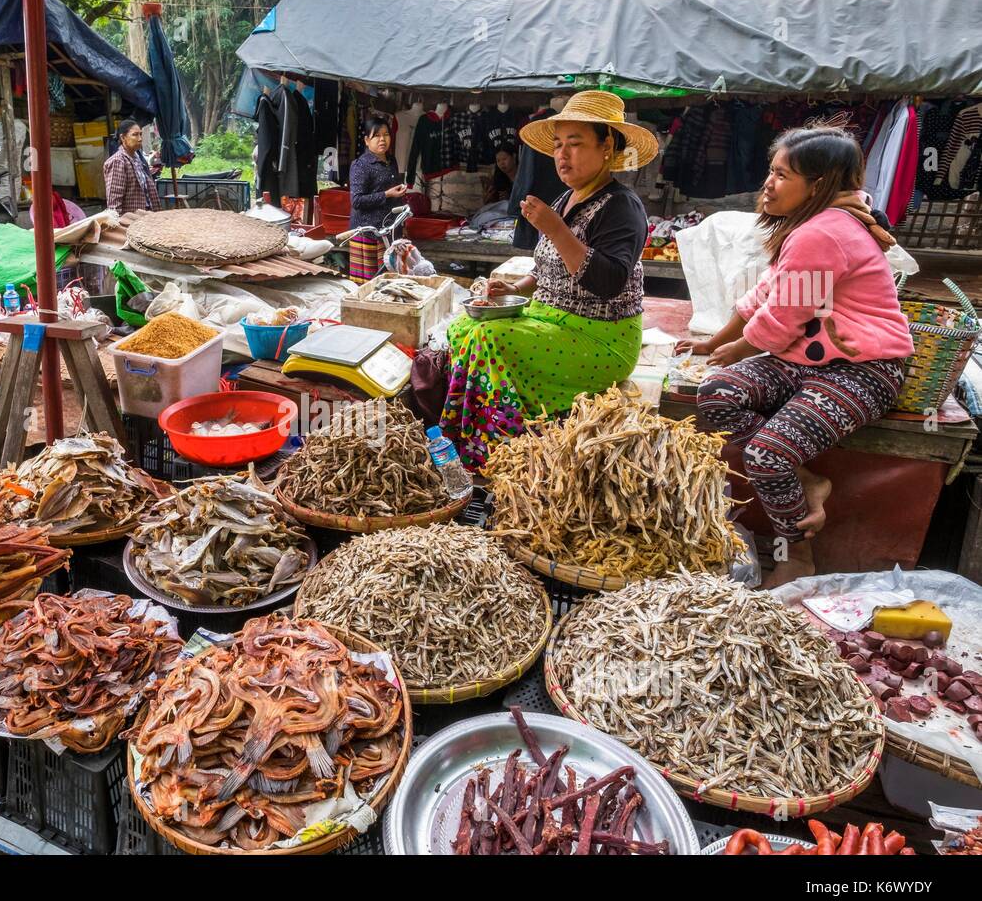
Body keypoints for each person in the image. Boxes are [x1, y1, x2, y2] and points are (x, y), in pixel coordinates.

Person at [681, 124, 914, 587]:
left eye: (783, 175)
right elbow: (764, 297)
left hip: (863, 369)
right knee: (715, 395)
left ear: (819, 185)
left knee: (768, 455)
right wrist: (715, 342)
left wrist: (737, 348)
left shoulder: (824, 233)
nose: (769, 183)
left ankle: (798, 555)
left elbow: (782, 319)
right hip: (802, 358)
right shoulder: (812, 225)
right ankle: (806, 479)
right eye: (772, 171)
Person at [441, 91, 657, 467]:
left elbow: (608, 282)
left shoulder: (622, 206)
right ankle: (484, 436)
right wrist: (514, 289)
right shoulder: (565, 199)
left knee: (489, 338)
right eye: (558, 145)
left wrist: (556, 230)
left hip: (600, 337)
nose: (562, 155)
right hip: (551, 319)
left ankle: (499, 449)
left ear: (607, 147)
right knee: (462, 328)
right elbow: (545, 271)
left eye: (575, 144)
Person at [348, 114, 407, 281]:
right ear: (367, 140)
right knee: (370, 282)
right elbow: (357, 201)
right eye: (377, 136)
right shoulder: (361, 165)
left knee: (389, 278)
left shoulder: (391, 160)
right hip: (368, 231)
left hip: (389, 229)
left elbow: (390, 189)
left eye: (386, 135)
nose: (382, 140)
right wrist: (387, 194)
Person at [104, 119, 163, 215]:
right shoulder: (118, 162)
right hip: (131, 220)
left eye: (140, 134)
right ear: (123, 138)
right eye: (135, 135)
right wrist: (118, 225)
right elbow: (114, 201)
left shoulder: (137, 159)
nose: (140, 138)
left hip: (146, 215)